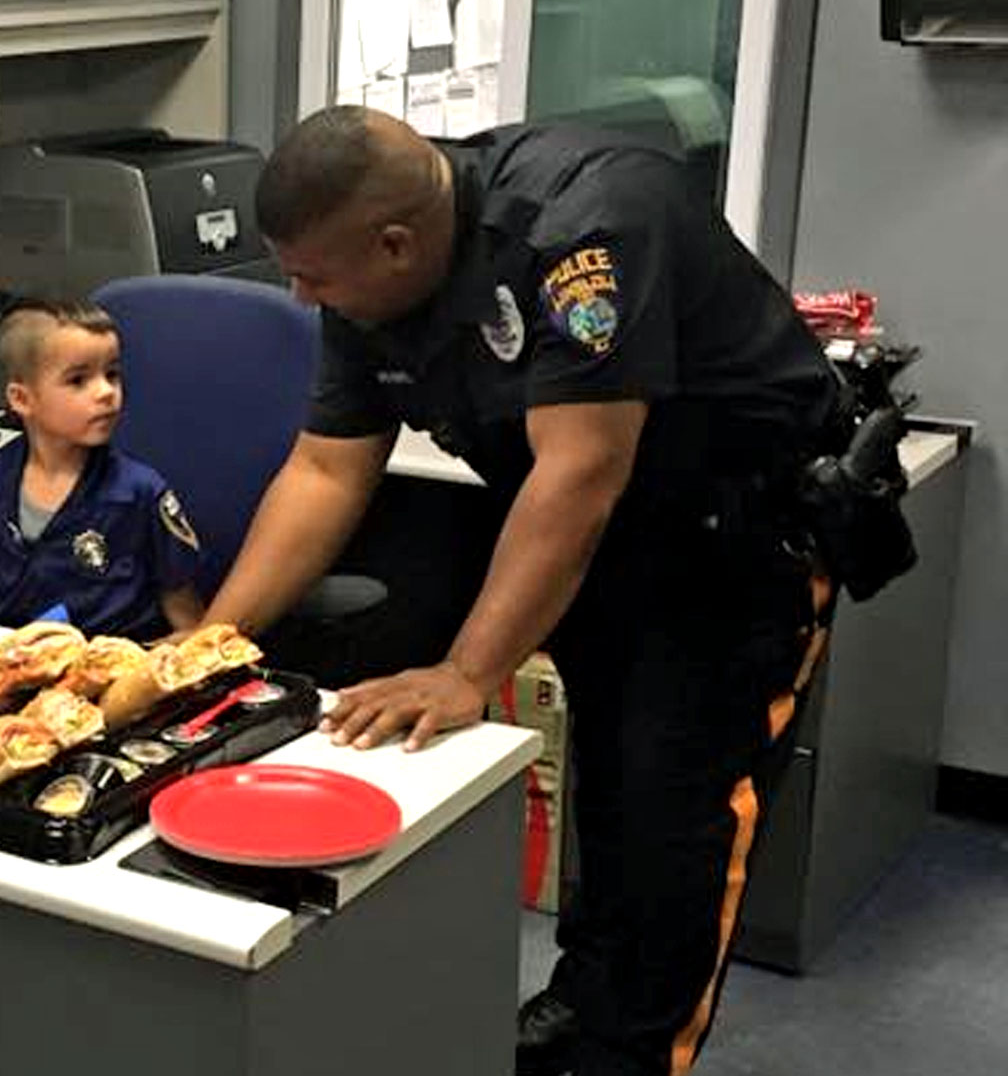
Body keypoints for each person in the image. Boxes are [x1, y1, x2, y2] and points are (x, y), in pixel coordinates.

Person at [202, 107, 844, 1076]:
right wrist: (209, 642)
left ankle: (632, 1054)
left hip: (731, 547)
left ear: (395, 242)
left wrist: (469, 671)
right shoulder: (365, 277)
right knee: (613, 794)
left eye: (314, 277)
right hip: (599, 544)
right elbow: (327, 470)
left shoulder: (582, 231)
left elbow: (581, 471)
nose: (300, 299)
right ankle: (580, 1014)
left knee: (676, 822)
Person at [0, 297, 205, 640]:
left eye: (112, 374)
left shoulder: (138, 492)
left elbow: (189, 624)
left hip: (113, 667)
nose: (106, 392)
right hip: (16, 666)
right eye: (78, 380)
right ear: (22, 399)